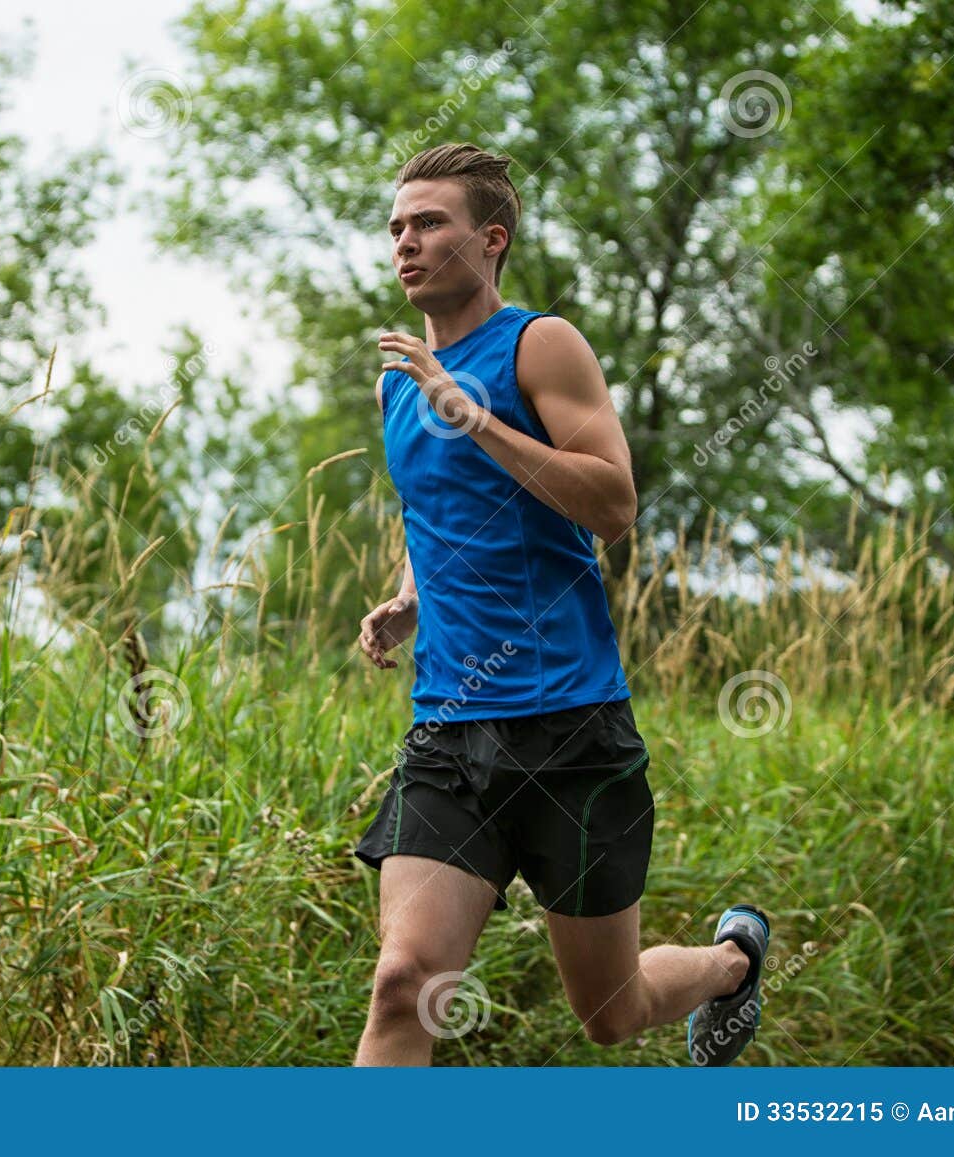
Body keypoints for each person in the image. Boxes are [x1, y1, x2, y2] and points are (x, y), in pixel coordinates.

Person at [351, 142, 770, 1067]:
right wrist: (408, 596)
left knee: (611, 1010)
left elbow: (613, 504)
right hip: (452, 730)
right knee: (403, 984)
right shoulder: (398, 377)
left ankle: (731, 965)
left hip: (573, 731)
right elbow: (442, 510)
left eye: (430, 223)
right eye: (396, 227)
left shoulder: (542, 343)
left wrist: (476, 417)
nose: (405, 244)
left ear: (490, 238)